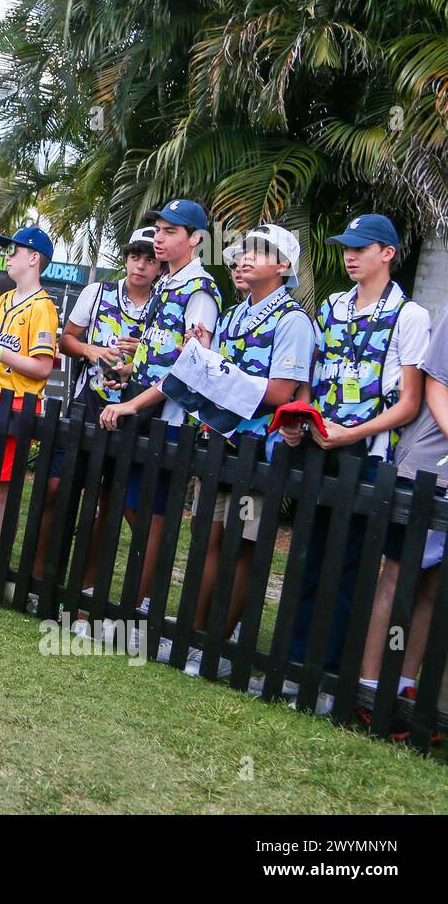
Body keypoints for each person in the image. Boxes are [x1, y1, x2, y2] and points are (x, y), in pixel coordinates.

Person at [281, 214, 428, 676]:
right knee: (306, 556)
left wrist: (352, 434)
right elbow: (311, 376)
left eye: (361, 247)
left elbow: (409, 403)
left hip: (368, 454)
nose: (350, 254)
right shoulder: (331, 305)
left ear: (388, 253)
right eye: (347, 246)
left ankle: (328, 675)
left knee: (349, 570)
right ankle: (293, 660)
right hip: (319, 445)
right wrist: (298, 419)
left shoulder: (410, 315)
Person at [182, 225, 313, 678]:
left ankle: (217, 643)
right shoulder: (236, 315)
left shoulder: (293, 320)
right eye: (239, 253)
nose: (241, 259)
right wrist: (203, 353)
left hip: (260, 451)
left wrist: (216, 368)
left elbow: (281, 392)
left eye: (257, 252)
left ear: (283, 267)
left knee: (244, 547)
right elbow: (215, 377)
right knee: (209, 538)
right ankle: (193, 637)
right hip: (221, 441)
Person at [99, 199, 222, 614]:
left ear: (197, 239)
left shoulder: (200, 290)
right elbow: (163, 352)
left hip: (172, 421)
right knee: (138, 508)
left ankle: (137, 607)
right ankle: (146, 597)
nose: (160, 237)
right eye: (158, 229)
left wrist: (134, 402)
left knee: (152, 516)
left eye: (171, 231)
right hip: (150, 412)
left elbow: (191, 368)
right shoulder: (168, 284)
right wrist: (130, 367)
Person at [46, 226, 162, 592]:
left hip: (135, 414)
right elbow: (66, 339)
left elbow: (168, 354)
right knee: (58, 489)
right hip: (87, 403)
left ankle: (85, 590)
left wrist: (141, 352)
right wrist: (92, 351)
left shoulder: (165, 305)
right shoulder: (97, 293)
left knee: (108, 505)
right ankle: (41, 580)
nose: (140, 266)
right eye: (133, 256)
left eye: (149, 259)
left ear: (160, 266)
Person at [356, 314, 446, 742]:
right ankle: (371, 688)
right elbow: (436, 385)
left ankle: (406, 687)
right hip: (426, 467)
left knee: (432, 584)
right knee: (397, 576)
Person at [0, 226, 59, 582]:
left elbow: (42, 367)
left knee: (1, 492)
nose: (8, 255)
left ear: (34, 258)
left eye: (14, 250)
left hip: (17, 407)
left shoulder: (43, 308)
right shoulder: (3, 301)